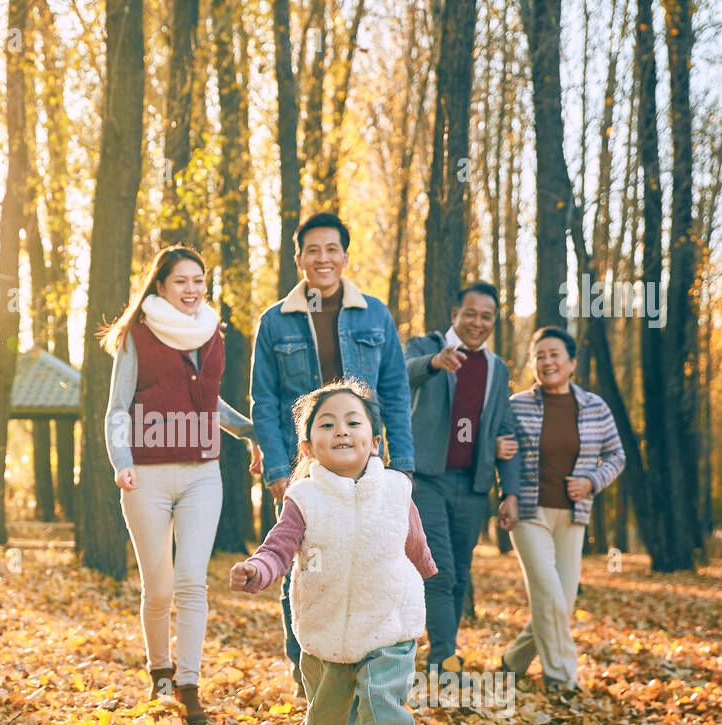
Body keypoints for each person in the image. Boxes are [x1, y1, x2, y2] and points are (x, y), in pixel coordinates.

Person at [230, 379, 434, 725]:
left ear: (374, 438)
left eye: (353, 421)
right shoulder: (304, 498)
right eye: (327, 424)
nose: (341, 430)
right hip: (324, 634)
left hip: (388, 626)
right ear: (307, 446)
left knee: (382, 719)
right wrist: (257, 570)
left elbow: (416, 546)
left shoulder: (395, 490)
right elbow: (279, 548)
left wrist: (429, 581)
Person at [250, 212, 415, 695]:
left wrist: (402, 465)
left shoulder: (375, 315)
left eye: (332, 249)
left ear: (345, 255)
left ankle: (368, 664)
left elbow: (395, 392)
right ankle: (310, 675)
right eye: (312, 251)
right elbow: (264, 400)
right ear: (299, 258)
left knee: (370, 555)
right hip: (304, 462)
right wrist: (279, 470)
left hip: (368, 459)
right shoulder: (274, 322)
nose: (323, 258)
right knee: (303, 561)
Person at [102, 245, 262, 725]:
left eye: (199, 281)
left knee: (193, 579)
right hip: (145, 475)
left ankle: (189, 685)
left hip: (201, 475)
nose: (193, 290)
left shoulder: (212, 333)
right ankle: (160, 674)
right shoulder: (137, 336)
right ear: (161, 286)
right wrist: (121, 461)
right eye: (182, 281)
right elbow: (116, 409)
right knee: (160, 585)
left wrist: (251, 431)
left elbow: (208, 402)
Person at [405, 281, 521, 683]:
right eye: (470, 313)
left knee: (462, 572)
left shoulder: (497, 368)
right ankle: (443, 663)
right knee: (441, 570)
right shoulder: (425, 346)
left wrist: (510, 491)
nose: (477, 322)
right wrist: (435, 362)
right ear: (455, 312)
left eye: (486, 316)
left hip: (473, 485)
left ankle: (443, 662)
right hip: (428, 479)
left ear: (493, 322)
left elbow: (505, 430)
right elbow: (400, 378)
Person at [500, 326, 625, 696]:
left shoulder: (595, 407)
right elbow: (503, 453)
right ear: (533, 364)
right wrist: (504, 490)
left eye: (554, 354)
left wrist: (591, 481)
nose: (547, 361)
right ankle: (562, 679)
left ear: (571, 362)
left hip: (573, 516)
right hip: (528, 514)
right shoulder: (516, 405)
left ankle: (512, 662)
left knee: (560, 603)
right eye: (539, 355)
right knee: (550, 596)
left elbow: (617, 456)